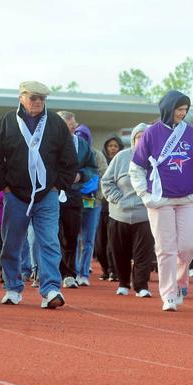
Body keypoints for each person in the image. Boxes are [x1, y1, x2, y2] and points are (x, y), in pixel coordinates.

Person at [0, 81, 78, 309]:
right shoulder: (7, 122)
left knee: (49, 241)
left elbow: (69, 157)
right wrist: (3, 185)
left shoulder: (56, 123)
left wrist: (59, 185)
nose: (37, 101)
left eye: (41, 98)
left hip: (46, 194)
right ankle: (12, 287)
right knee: (12, 243)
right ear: (21, 97)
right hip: (15, 194)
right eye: (33, 97)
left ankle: (50, 289)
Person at [129, 90, 193, 312]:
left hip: (188, 198)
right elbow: (136, 168)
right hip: (160, 200)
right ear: (168, 108)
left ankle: (179, 282)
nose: (183, 113)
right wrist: (144, 195)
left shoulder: (192, 134)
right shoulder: (151, 134)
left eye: (186, 109)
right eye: (179, 109)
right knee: (166, 248)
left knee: (188, 246)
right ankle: (168, 294)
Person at [101, 123, 155, 297]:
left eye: (145, 137)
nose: (141, 140)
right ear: (133, 139)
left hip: (145, 214)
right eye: (138, 137)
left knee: (143, 253)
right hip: (119, 214)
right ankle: (123, 282)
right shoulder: (121, 157)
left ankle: (141, 286)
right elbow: (106, 182)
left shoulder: (156, 158)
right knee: (119, 251)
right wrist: (118, 199)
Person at [55, 112, 98, 289]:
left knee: (71, 235)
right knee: (52, 236)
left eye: (74, 125)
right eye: (69, 125)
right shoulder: (49, 142)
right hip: (51, 194)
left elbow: (92, 167)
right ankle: (52, 272)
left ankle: (69, 274)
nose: (73, 128)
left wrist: (81, 175)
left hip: (73, 195)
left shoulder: (81, 144)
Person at [73, 123, 107, 286]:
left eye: (84, 136)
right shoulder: (71, 151)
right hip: (74, 201)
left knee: (88, 239)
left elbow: (104, 176)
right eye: (78, 135)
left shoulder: (97, 155)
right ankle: (73, 270)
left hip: (93, 202)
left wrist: (96, 194)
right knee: (73, 237)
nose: (81, 139)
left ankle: (84, 272)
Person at [95, 133, 124, 281]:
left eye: (116, 146)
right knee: (100, 244)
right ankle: (105, 269)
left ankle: (114, 270)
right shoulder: (101, 162)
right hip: (100, 207)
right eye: (110, 146)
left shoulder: (124, 164)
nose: (113, 149)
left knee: (113, 242)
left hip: (116, 209)